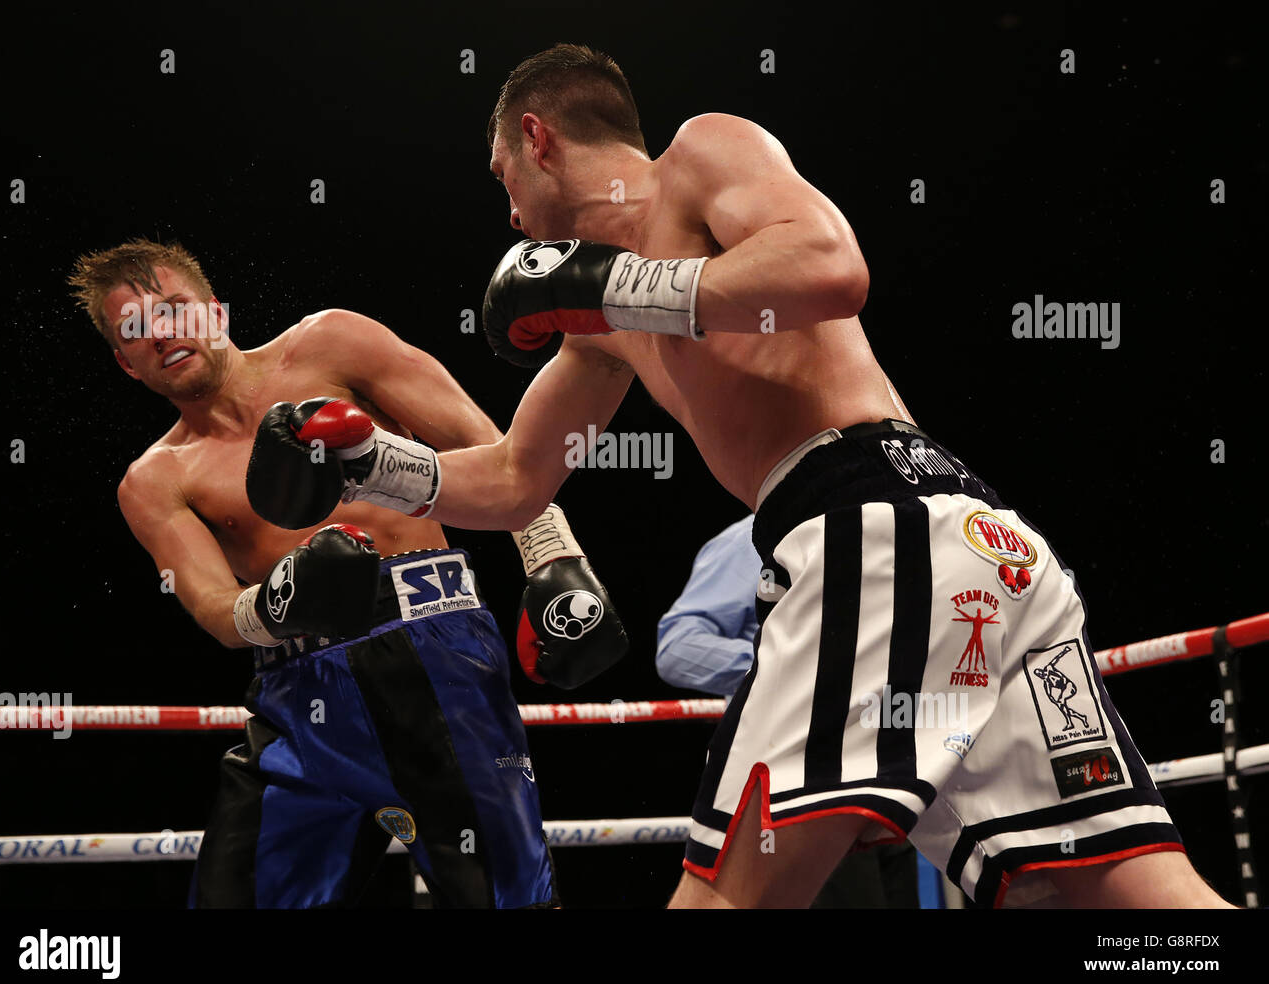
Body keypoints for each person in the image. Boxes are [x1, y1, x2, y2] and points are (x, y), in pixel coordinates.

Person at [246, 45, 1231, 909]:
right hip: (967, 552)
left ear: (538, 136)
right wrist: (365, 464)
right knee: (1106, 890)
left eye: (503, 174)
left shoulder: (702, 155)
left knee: (725, 894)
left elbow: (830, 267)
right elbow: (514, 482)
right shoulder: (602, 329)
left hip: (874, 527)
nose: (506, 213)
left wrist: (621, 283)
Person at [69, 238, 627, 908]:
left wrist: (553, 557)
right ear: (124, 361)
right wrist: (277, 603)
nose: (162, 333)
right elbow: (217, 609)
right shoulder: (154, 480)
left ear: (214, 311)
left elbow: (492, 450)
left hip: (434, 656)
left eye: (175, 309)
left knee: (505, 899)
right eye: (135, 328)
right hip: (294, 699)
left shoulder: (331, 344)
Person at [656, 514, 924, 909]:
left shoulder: (882, 527)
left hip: (889, 767)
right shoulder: (756, 536)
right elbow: (677, 647)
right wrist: (792, 667)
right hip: (802, 771)